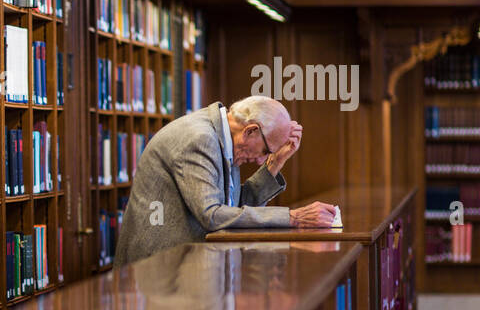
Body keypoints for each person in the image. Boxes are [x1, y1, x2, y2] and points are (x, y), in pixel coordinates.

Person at [113, 95, 337, 267]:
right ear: (250, 131)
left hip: (184, 266)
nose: (260, 159)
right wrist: (292, 218)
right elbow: (212, 215)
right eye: (265, 151)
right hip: (156, 272)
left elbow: (234, 208)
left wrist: (275, 162)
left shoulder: (226, 137)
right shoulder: (200, 139)